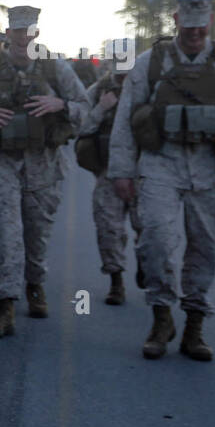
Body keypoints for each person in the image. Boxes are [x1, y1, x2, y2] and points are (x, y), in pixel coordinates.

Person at [107, 0, 215, 361]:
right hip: (161, 162)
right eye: (188, 26)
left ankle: (194, 324)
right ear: (176, 21)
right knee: (157, 242)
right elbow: (125, 120)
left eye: (200, 27)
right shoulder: (151, 63)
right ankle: (162, 318)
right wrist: (122, 171)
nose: (194, 33)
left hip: (212, 165)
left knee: (206, 246)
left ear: (209, 22)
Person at [0, 5, 89, 338]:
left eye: (28, 31)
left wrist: (60, 105)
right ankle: (5, 305)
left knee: (37, 232)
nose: (22, 37)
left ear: (37, 33)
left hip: (44, 164)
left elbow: (86, 109)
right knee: (7, 230)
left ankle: (35, 284)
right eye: (17, 31)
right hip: (2, 162)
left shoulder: (55, 68)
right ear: (8, 33)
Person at [75, 42, 140, 306]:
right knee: (108, 228)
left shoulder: (145, 86)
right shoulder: (99, 89)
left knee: (149, 228)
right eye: (117, 59)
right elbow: (80, 124)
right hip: (108, 171)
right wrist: (102, 108)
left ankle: (148, 264)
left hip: (145, 170)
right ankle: (116, 280)